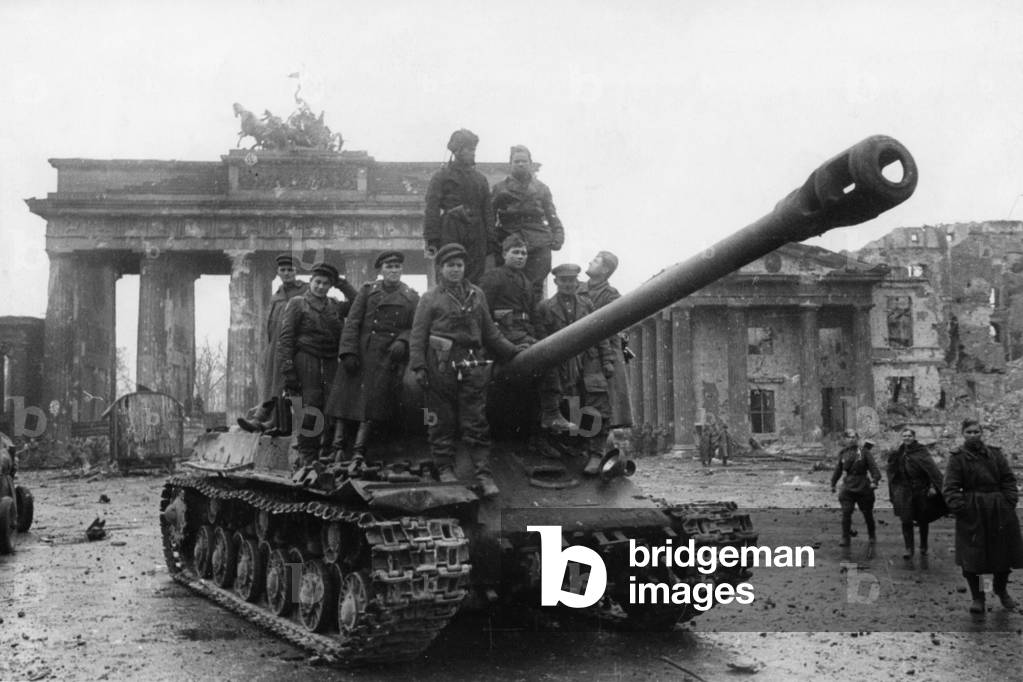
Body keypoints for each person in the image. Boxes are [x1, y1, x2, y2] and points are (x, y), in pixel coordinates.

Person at [409, 243, 521, 496]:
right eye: (450, 265)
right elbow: (418, 335)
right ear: (441, 269)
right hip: (440, 364)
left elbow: (490, 332)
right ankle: (445, 468)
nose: (455, 270)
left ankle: (483, 473)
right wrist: (419, 366)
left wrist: (513, 351)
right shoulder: (430, 298)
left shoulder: (476, 294)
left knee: (476, 420)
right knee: (440, 420)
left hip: (472, 364)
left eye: (459, 265)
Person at [325, 251, 419, 466]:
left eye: (397, 267)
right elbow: (353, 322)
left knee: (371, 404)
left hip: (387, 355)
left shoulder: (411, 296)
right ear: (381, 270)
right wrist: (348, 351)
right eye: (389, 267)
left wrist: (403, 340)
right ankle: (337, 448)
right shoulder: (368, 291)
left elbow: (415, 326)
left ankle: (359, 450)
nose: (393, 271)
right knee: (344, 400)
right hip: (361, 351)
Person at [534, 263, 615, 474]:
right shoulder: (545, 307)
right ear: (556, 282)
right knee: (570, 406)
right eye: (564, 280)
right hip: (562, 363)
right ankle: (575, 448)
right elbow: (542, 340)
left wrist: (607, 359)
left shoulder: (586, 304)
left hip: (589, 361)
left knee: (596, 405)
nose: (568, 284)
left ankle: (596, 453)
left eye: (572, 280)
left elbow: (599, 332)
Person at [943, 419, 1023, 614]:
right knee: (974, 558)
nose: (973, 435)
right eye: (969, 432)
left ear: (982, 433)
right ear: (963, 434)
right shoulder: (957, 458)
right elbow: (950, 487)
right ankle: (979, 597)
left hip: (999, 509)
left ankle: (1001, 590)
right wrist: (961, 508)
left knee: (1002, 554)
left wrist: (1009, 501)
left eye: (976, 431)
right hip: (972, 510)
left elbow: (1008, 479)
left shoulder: (995, 454)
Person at [277, 262, 349, 467]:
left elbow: (356, 302)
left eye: (326, 283)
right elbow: (286, 338)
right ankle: (307, 456)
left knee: (332, 407)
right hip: (306, 359)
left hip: (330, 360)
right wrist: (288, 369)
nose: (321, 287)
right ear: (310, 281)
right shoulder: (297, 303)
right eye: (317, 282)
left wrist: (341, 283)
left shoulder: (334, 305)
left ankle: (326, 453)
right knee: (309, 407)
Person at [239, 254, 309, 431]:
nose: (287, 273)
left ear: (297, 271)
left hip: (296, 344)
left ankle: (266, 418)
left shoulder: (306, 290)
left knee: (287, 383)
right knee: (273, 383)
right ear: (278, 272)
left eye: (290, 270)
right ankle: (270, 420)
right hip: (276, 346)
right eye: (283, 270)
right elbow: (270, 325)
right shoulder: (276, 295)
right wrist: (268, 348)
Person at [423, 129, 495, 285]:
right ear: (457, 151)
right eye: (469, 149)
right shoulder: (441, 176)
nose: (473, 153)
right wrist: (432, 239)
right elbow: (432, 208)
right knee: (449, 268)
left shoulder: (481, 179)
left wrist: (491, 238)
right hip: (451, 229)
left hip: (477, 232)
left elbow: (488, 211)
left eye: (474, 149)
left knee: (475, 276)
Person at [491, 145, 564, 297]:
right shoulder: (500, 188)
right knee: (510, 285)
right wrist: (493, 240)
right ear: (510, 164)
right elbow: (490, 216)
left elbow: (551, 214)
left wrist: (558, 234)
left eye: (524, 161)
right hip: (509, 237)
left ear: (530, 164)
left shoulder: (542, 188)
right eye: (516, 161)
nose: (520, 164)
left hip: (538, 240)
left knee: (535, 286)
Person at [580, 250, 633, 429]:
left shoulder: (611, 295)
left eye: (596, 261)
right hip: (581, 352)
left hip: (602, 355)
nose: (590, 262)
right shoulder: (578, 289)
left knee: (603, 403)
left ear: (605, 270)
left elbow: (614, 327)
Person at [887, 428, 943, 559]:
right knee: (906, 519)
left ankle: (923, 546)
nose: (907, 438)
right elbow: (892, 469)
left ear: (914, 437)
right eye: (904, 436)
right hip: (904, 491)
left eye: (909, 436)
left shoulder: (921, 451)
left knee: (923, 519)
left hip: (920, 489)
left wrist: (932, 487)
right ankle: (909, 549)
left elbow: (932, 470)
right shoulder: (899, 452)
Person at [830, 430, 881, 547]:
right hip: (848, 486)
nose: (851, 439)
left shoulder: (864, 452)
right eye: (849, 437)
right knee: (846, 512)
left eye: (854, 437)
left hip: (863, 486)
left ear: (857, 439)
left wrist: (874, 481)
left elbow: (874, 469)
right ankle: (845, 537)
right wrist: (833, 483)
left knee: (867, 513)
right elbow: (838, 470)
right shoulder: (843, 453)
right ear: (845, 439)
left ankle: (872, 535)